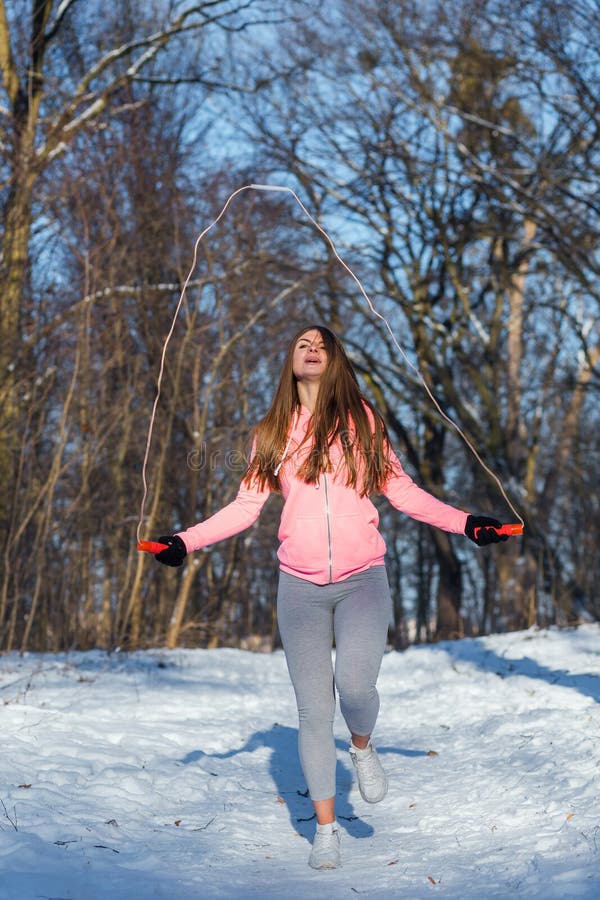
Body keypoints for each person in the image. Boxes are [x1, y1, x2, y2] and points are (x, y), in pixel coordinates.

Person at [153, 325, 507, 870]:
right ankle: (326, 828)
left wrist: (466, 524)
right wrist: (185, 540)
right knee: (313, 711)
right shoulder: (271, 431)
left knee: (357, 685)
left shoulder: (363, 421)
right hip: (299, 587)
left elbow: (401, 490)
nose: (311, 348)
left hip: (363, 578)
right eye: (301, 343)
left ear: (334, 359)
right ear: (291, 361)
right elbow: (245, 508)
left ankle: (362, 745)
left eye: (321, 343)